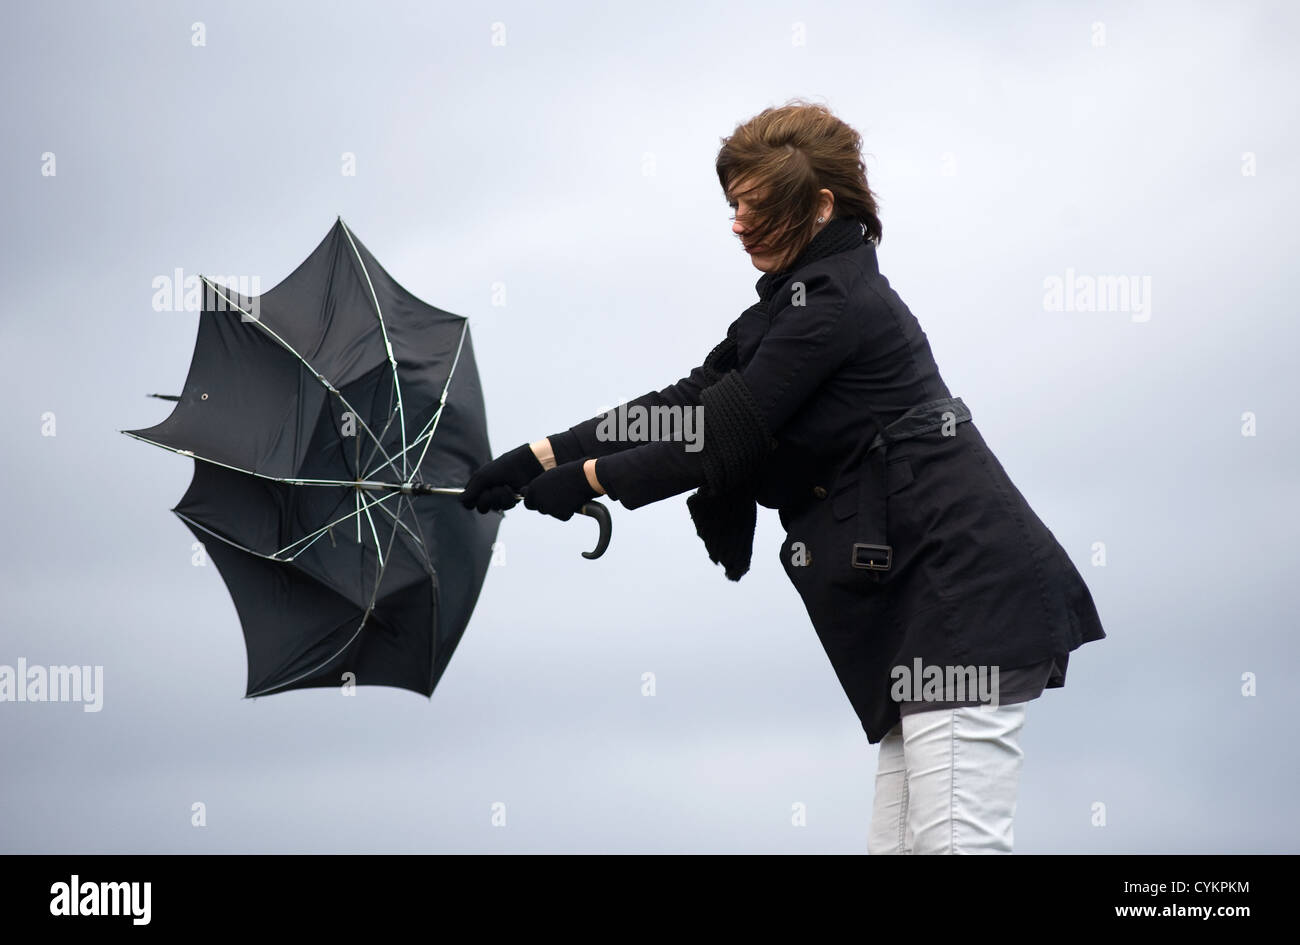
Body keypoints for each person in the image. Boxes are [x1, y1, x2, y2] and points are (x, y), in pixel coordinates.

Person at [460, 99, 1106, 854]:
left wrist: (591, 480)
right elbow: (685, 405)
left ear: (822, 204)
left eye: (755, 205)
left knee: (957, 847)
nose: (736, 223)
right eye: (733, 205)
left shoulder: (835, 306)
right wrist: (541, 457)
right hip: (922, 611)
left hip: (964, 600)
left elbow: (718, 435)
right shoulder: (792, 306)